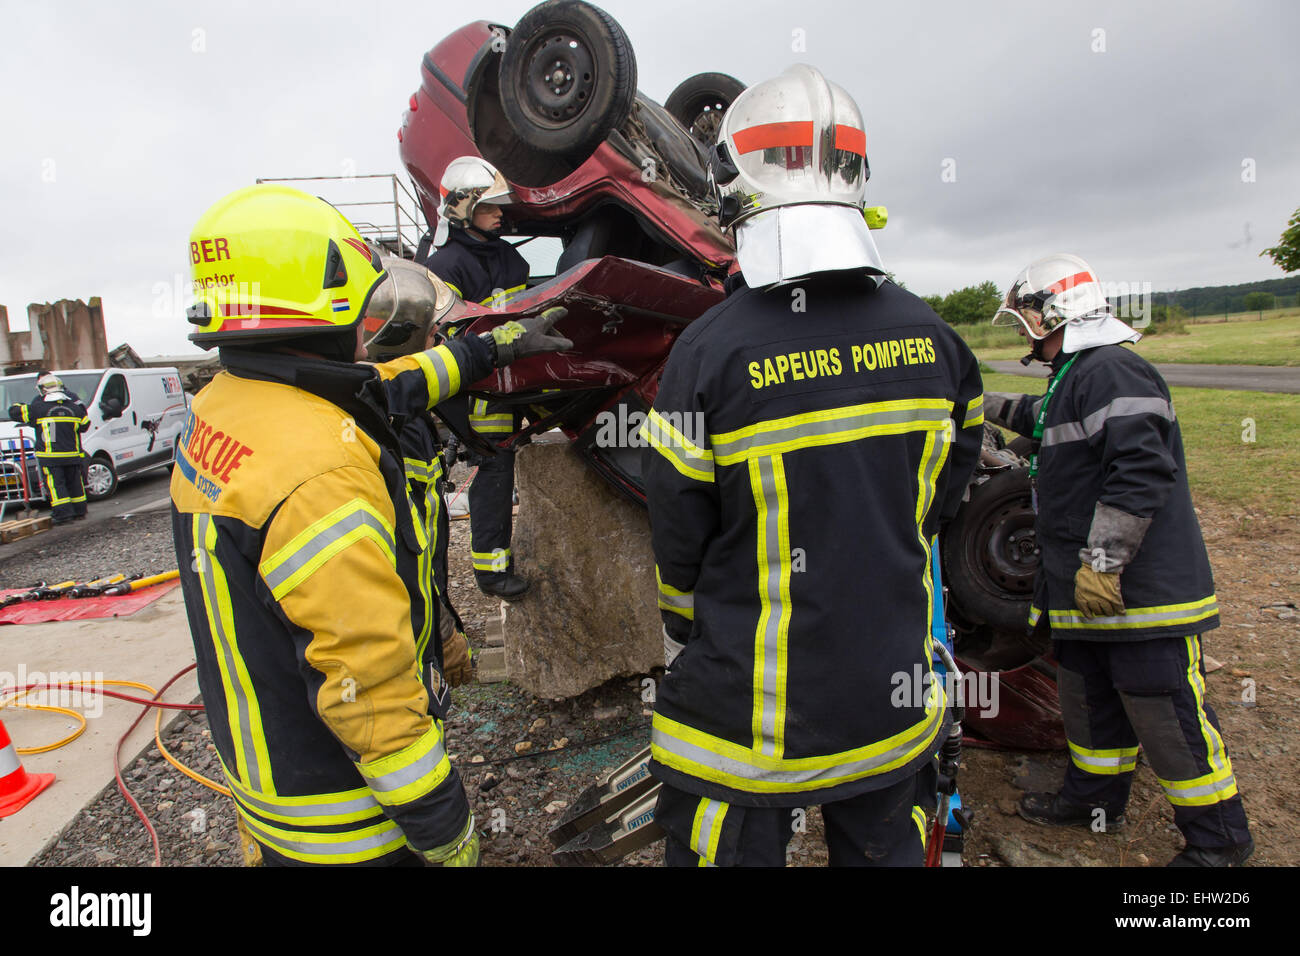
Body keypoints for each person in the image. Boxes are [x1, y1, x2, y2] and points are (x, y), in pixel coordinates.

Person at [639, 65, 985, 866]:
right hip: (889, 700)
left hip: (751, 725)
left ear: (735, 188)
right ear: (857, 183)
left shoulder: (711, 351)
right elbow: (937, 497)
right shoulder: (935, 339)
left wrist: (687, 622)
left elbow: (678, 527)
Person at [171, 183, 570, 866]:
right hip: (346, 824)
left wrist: (488, 352)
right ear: (324, 304)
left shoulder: (231, 406)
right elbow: (369, 678)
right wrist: (444, 829)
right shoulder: (319, 470)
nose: (370, 332)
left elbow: (391, 385)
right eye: (360, 311)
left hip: (267, 784)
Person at [983, 253, 1253, 867]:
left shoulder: (1115, 372)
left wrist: (1103, 563)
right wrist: (973, 402)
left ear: (1054, 313)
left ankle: (1220, 841)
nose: (1022, 328)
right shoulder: (1075, 376)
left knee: (1166, 714)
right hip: (1084, 599)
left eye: (1026, 315)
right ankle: (1094, 800)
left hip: (1138, 595)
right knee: (1089, 702)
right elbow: (1039, 419)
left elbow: (1139, 473)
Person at [420, 156, 531, 599]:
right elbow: (438, 339)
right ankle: (492, 572)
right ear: (462, 208)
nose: (501, 212)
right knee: (495, 464)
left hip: (520, 373)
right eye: (490, 205)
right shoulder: (445, 265)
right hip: (478, 388)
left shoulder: (508, 258)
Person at [7, 373, 89, 524]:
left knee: (56, 485)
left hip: (51, 457)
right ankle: (79, 511)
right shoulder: (74, 408)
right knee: (75, 483)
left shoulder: (38, 408)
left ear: (42, 390)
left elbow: (14, 412)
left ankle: (63, 515)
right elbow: (85, 425)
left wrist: (17, 404)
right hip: (72, 454)